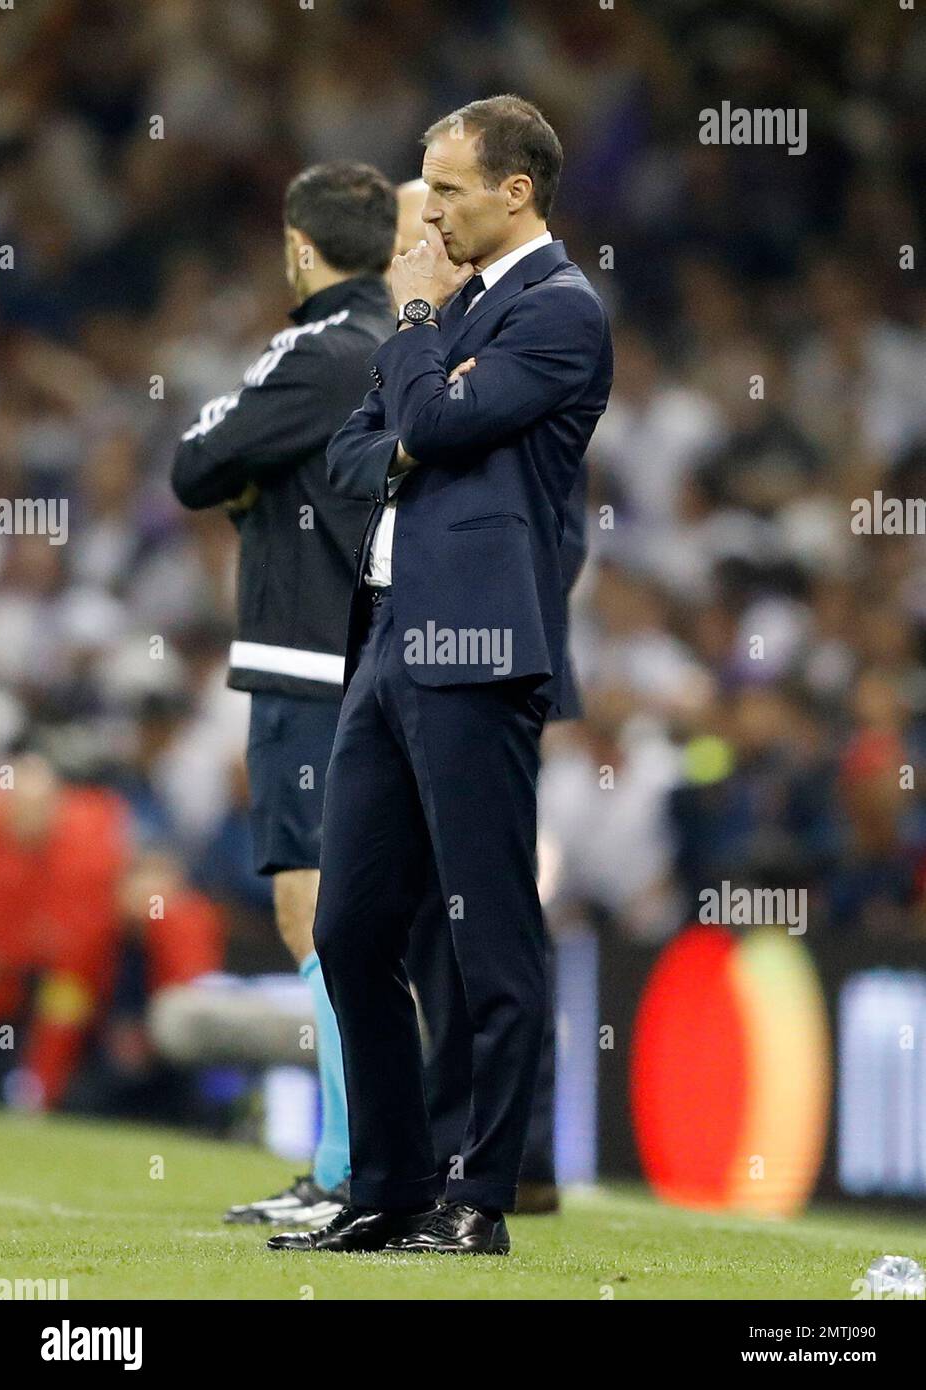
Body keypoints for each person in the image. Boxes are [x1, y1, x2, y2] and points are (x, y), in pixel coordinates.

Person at [270, 95, 612, 1256]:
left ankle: (481, 1198)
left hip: (473, 650)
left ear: (515, 191)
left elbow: (417, 410)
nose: (432, 211)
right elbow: (357, 448)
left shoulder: (561, 313)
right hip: (383, 643)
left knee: (486, 936)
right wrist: (422, 405)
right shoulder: (456, 313)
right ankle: (389, 1186)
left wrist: (416, 349)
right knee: (353, 930)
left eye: (449, 188)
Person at [172, 162, 397, 1224]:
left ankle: (355, 1170)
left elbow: (196, 461)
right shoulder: (399, 344)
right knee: (363, 922)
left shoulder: (316, 348)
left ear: (300, 247)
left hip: (306, 663)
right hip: (374, 653)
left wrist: (247, 481)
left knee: (315, 915)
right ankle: (370, 1162)